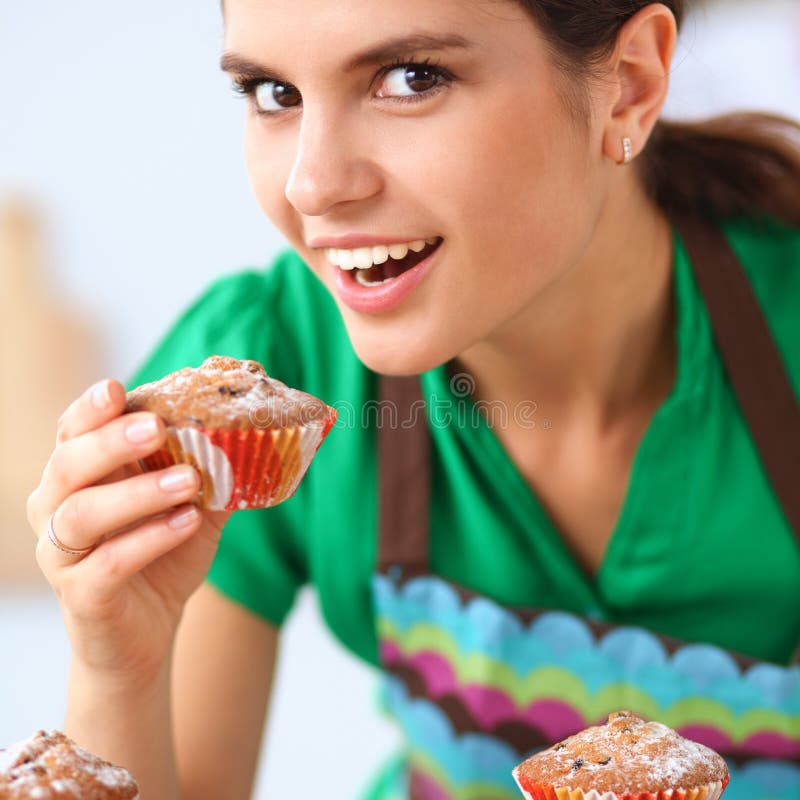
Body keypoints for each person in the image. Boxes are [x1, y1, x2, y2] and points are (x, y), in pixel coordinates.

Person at [26, 1, 800, 799]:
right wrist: (120, 663)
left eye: (411, 78)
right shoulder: (277, 361)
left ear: (629, 84)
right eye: (274, 93)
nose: (315, 185)